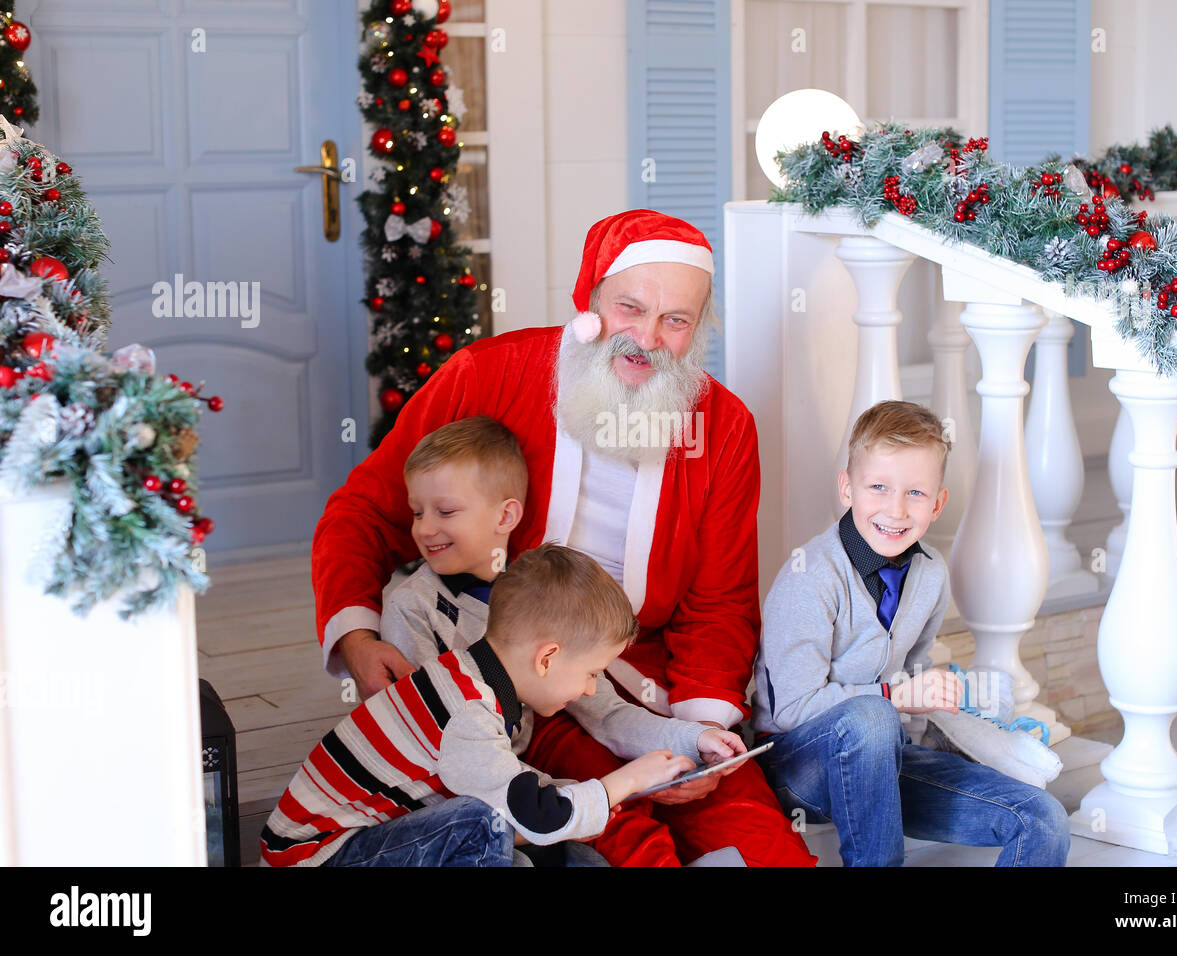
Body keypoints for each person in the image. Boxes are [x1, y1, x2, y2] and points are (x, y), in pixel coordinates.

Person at [310, 208, 816, 866]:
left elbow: (719, 603)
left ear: (697, 330)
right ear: (591, 299)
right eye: (630, 308)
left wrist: (700, 728)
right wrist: (356, 636)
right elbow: (364, 510)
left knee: (759, 843)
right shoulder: (490, 374)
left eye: (676, 320)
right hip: (500, 672)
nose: (648, 340)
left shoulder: (722, 428)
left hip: (642, 679)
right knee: (629, 838)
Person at [261, 544, 747, 867]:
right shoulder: (467, 714)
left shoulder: (475, 680)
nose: (588, 690)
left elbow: (519, 793)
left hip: (382, 840)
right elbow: (526, 813)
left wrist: (675, 749)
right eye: (592, 674)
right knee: (485, 823)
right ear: (547, 658)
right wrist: (626, 781)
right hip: (321, 857)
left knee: (573, 852)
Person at [753, 400, 1071, 866]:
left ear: (938, 503)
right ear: (847, 488)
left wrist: (927, 735)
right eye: (878, 487)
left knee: (1041, 817)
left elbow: (915, 675)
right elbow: (792, 712)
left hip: (887, 762)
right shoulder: (811, 575)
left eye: (916, 493)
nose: (896, 510)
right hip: (795, 767)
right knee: (872, 718)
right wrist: (894, 699)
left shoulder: (931, 574)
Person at [380, 415, 527, 667]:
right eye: (417, 512)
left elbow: (584, 678)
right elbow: (430, 702)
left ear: (505, 516)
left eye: (446, 511)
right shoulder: (411, 607)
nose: (424, 529)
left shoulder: (538, 591)